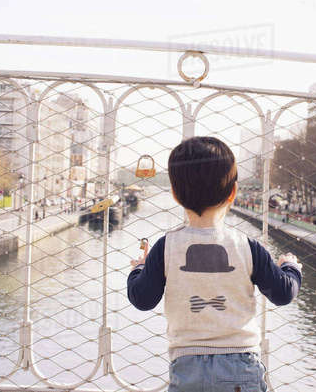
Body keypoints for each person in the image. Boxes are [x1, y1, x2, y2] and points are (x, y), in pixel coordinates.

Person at [127, 137, 302, 392]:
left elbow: (142, 299)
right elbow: (284, 293)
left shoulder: (166, 247)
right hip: (241, 364)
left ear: (175, 194)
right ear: (233, 192)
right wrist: (290, 267)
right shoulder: (248, 247)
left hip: (187, 365)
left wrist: (138, 269)